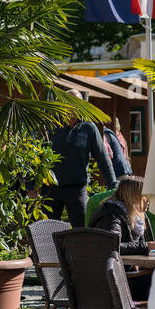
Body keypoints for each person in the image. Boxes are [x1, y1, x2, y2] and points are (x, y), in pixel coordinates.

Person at [44, 91, 116, 227]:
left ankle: (81, 249)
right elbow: (37, 154)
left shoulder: (88, 128)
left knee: (83, 229)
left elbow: (103, 158)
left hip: (77, 189)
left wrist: (113, 185)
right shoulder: (51, 126)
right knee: (48, 230)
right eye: (69, 102)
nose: (72, 106)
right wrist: (30, 187)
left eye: (76, 103)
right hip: (51, 189)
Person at [90, 174, 152, 300]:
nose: (148, 200)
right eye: (145, 196)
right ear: (133, 196)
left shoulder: (136, 217)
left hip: (125, 274)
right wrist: (146, 246)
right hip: (114, 282)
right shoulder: (112, 215)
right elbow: (112, 245)